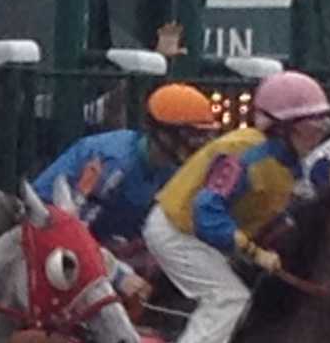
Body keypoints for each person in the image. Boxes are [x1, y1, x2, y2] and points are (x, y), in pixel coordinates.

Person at [143, 69, 330, 343]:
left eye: (324, 119)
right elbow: (207, 213)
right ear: (282, 125)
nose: (322, 128)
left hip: (211, 237)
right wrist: (253, 252)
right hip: (178, 231)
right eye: (312, 120)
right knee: (229, 297)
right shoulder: (243, 151)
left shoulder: (292, 163)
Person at [31, 81, 222, 262]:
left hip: (105, 245)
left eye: (205, 135)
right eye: (192, 134)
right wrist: (119, 274)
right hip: (49, 236)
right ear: (163, 134)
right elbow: (74, 233)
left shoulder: (172, 169)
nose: (201, 144)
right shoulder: (114, 163)